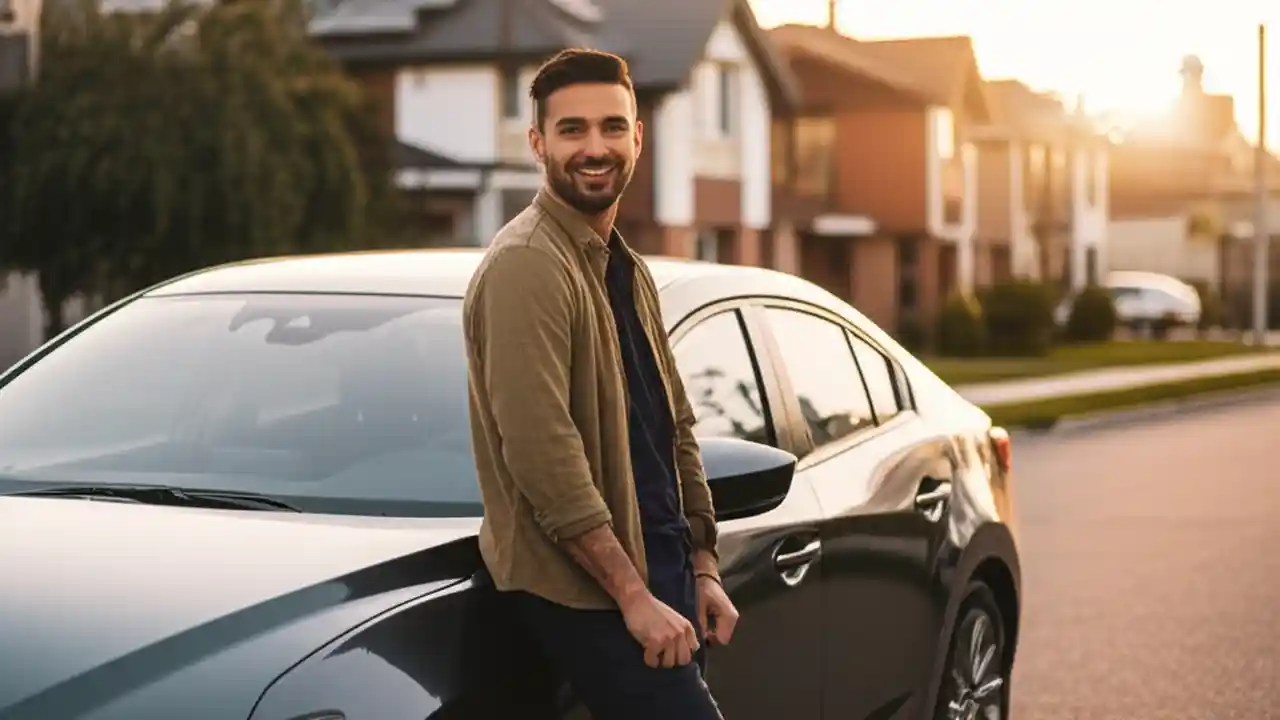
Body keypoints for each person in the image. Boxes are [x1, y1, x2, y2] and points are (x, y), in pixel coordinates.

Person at [462, 47, 739, 719]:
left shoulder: (626, 267)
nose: (596, 147)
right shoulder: (528, 265)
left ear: (638, 138)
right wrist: (632, 598)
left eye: (613, 127)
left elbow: (673, 426)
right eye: (572, 129)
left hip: (660, 574)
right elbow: (542, 455)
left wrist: (702, 563)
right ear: (538, 143)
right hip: (586, 595)